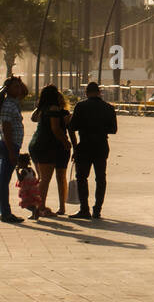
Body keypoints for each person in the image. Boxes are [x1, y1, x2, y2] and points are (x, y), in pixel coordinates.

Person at [68, 81, 118, 220]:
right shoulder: (108, 108)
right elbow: (113, 129)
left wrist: (75, 146)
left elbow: (71, 127)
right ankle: (97, 210)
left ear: (86, 93)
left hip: (84, 145)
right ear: (99, 92)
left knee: (82, 177)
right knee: (100, 178)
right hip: (101, 146)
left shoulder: (80, 106)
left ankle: (84, 209)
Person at [28, 84, 71, 216]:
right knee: (45, 180)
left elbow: (33, 118)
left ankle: (39, 206)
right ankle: (39, 208)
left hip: (36, 144)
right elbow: (55, 129)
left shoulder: (42, 109)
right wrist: (66, 142)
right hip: (47, 145)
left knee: (43, 178)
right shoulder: (53, 108)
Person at [0, 75, 27, 224]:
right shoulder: (8, 105)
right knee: (3, 182)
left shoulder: (13, 102)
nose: (19, 89)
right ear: (8, 89)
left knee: (1, 181)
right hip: (9, 145)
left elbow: (25, 92)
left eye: (18, 86)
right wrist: (11, 151)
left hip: (10, 145)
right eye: (15, 87)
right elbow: (6, 128)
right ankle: (6, 213)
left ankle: (5, 212)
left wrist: (18, 82)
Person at [15, 155, 43, 220]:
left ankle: (34, 210)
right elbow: (34, 176)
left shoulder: (23, 171)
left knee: (25, 203)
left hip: (26, 190)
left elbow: (20, 179)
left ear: (23, 163)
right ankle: (34, 214)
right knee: (32, 201)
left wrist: (17, 171)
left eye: (19, 162)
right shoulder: (31, 169)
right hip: (33, 189)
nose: (18, 164)